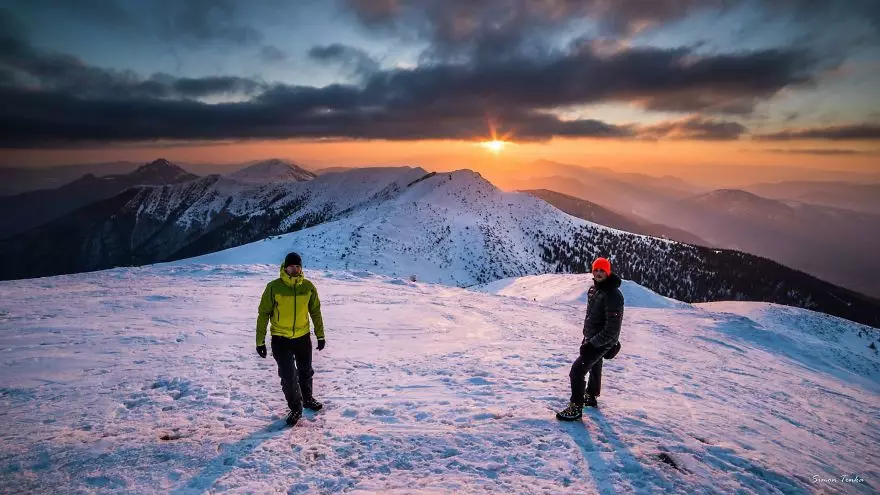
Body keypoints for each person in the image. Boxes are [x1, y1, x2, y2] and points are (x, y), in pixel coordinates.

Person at [256, 252, 326, 426]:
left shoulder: (308, 287)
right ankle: (296, 407)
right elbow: (263, 314)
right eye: (291, 266)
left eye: (297, 266)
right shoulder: (274, 287)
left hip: (302, 337)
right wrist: (260, 341)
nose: (294, 269)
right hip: (281, 339)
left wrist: (320, 335)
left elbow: (315, 312)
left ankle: (307, 399)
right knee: (288, 376)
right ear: (285, 267)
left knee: (306, 371)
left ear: (301, 268)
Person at [556, 257, 624, 421]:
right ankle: (591, 395)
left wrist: (593, 344)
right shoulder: (594, 290)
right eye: (596, 269)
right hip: (591, 338)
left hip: (601, 341)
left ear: (608, 272)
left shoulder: (613, 295)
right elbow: (592, 317)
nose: (599, 273)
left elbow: (612, 328)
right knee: (595, 365)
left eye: (602, 270)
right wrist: (587, 337)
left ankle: (576, 407)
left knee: (577, 371)